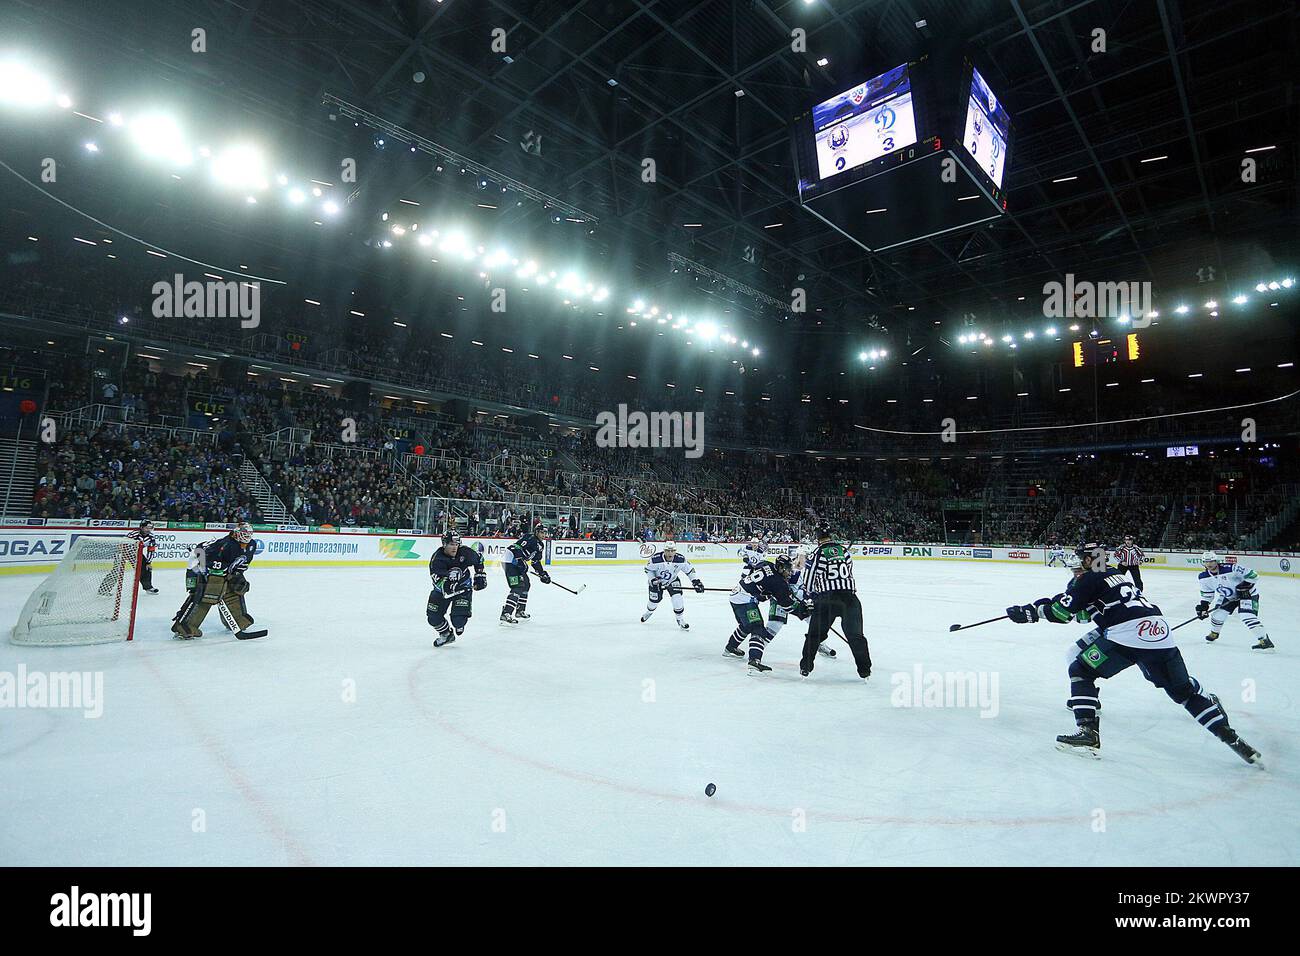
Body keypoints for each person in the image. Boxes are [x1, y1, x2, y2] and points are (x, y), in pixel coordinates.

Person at [1005, 542, 1260, 763]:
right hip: (1159, 631)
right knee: (1183, 692)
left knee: (1080, 669)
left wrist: (1030, 613)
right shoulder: (1115, 574)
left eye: (1079, 562)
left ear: (1088, 560)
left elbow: (1062, 613)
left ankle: (1088, 733)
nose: (1076, 568)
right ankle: (1231, 737)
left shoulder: (1091, 577)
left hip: (1127, 634)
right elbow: (1082, 611)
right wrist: (1042, 605)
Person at [797, 523, 871, 679]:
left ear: (817, 537)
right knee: (856, 636)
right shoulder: (844, 551)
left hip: (827, 600)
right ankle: (865, 670)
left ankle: (806, 667)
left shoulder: (817, 553)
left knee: (814, 635)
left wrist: (810, 597)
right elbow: (848, 571)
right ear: (831, 535)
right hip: (850, 599)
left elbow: (809, 580)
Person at [171, 522, 262, 640]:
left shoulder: (251, 544)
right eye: (244, 534)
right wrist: (218, 570)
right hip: (199, 565)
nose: (247, 537)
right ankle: (185, 627)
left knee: (237, 587)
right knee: (209, 593)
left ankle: (236, 620)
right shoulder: (225, 545)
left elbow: (241, 563)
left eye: (249, 534)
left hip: (223, 569)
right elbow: (204, 558)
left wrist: (235, 573)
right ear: (236, 534)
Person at [725, 554, 812, 673]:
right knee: (757, 628)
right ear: (781, 568)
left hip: (737, 594)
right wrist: (803, 611)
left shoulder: (767, 564)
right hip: (745, 600)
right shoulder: (778, 583)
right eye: (787, 569)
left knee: (747, 625)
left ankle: (730, 648)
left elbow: (757, 569)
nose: (790, 572)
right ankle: (754, 661)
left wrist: (762, 590)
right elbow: (786, 605)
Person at [1198, 552, 1275, 650]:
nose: (1209, 564)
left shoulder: (1231, 568)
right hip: (1229, 597)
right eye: (1206, 562)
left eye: (1212, 561)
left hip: (1247, 594)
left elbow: (1253, 575)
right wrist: (1204, 607)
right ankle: (1214, 633)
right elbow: (1207, 594)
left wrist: (1244, 586)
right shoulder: (1203, 577)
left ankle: (1265, 640)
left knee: (1247, 616)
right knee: (1217, 615)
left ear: (1216, 561)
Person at [427, 531, 487, 647]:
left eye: (456, 544)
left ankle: (459, 623)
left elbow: (479, 559)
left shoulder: (465, 552)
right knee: (433, 617)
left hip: (463, 588)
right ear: (444, 544)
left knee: (458, 621)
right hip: (442, 591)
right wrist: (447, 585)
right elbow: (437, 581)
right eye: (451, 544)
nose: (454, 547)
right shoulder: (437, 559)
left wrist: (480, 575)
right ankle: (446, 634)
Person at [641, 541, 704, 630]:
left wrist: (696, 581)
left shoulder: (680, 559)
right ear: (664, 551)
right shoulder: (655, 559)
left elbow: (690, 570)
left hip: (672, 580)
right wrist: (653, 580)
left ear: (675, 551)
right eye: (667, 550)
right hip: (657, 582)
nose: (670, 553)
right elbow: (648, 570)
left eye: (672, 551)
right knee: (653, 602)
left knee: (677, 599)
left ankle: (680, 619)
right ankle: (649, 612)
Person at [500, 520, 548, 625]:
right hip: (509, 561)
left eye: (545, 533)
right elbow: (515, 547)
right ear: (536, 532)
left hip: (516, 564)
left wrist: (542, 574)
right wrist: (521, 560)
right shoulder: (529, 538)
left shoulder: (540, 545)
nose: (543, 535)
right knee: (517, 586)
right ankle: (506, 612)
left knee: (526, 584)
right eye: (541, 532)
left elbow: (535, 562)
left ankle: (520, 611)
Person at [129, 519, 159, 594]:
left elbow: (151, 550)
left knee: (146, 567)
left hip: (137, 554)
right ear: (141, 527)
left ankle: (148, 587)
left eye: (150, 528)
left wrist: (148, 562)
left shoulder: (151, 537)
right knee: (116, 571)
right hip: (123, 553)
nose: (148, 530)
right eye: (146, 528)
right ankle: (105, 589)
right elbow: (124, 545)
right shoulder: (133, 534)